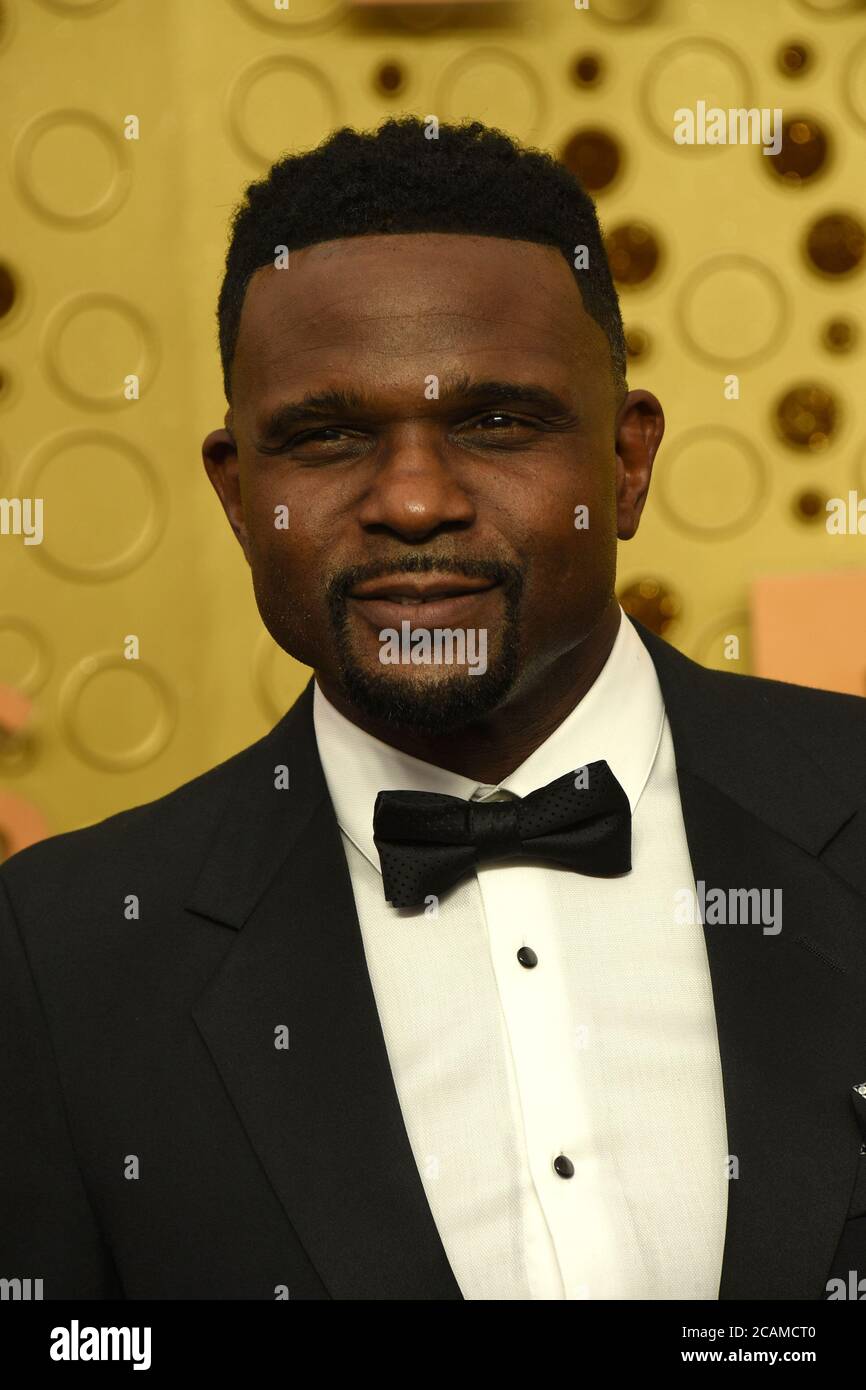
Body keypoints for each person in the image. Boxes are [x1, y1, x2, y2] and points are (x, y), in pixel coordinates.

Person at [2, 117, 865, 1302]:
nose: (412, 500)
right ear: (239, 492)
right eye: (327, 436)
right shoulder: (57, 956)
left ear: (623, 462)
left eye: (495, 422)